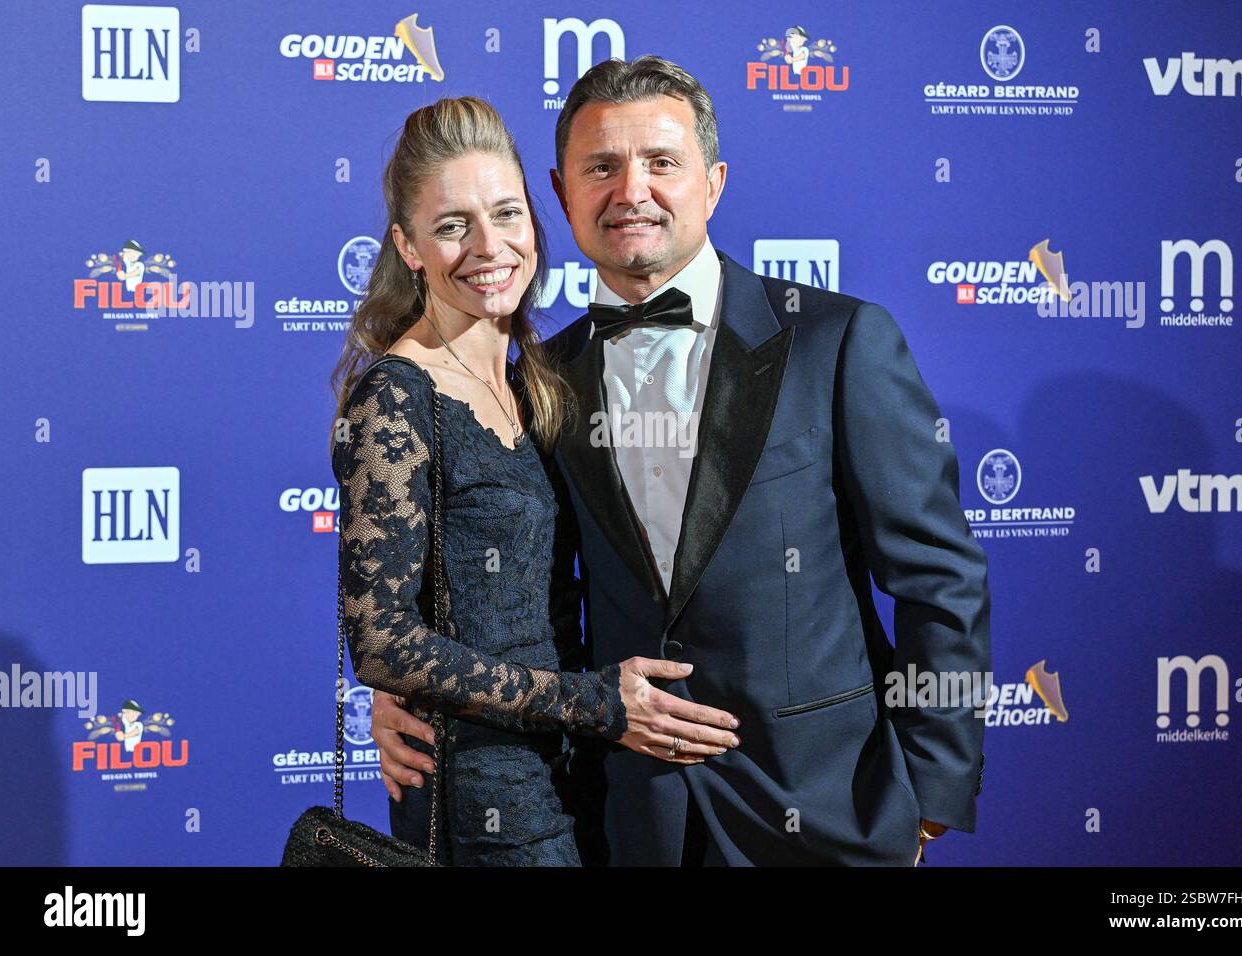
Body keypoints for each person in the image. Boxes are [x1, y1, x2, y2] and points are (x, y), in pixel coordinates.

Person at [374, 57, 991, 866]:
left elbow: (939, 580)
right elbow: (494, 586)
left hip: (827, 811)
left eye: (661, 162)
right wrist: (401, 693)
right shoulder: (535, 383)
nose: (631, 190)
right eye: (602, 167)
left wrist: (928, 798)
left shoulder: (837, 344)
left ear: (715, 182)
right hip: (628, 820)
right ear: (562, 194)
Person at [329, 96, 739, 866]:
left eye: (507, 214)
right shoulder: (397, 394)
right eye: (453, 225)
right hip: (481, 799)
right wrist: (591, 703)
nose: (489, 246)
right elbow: (382, 640)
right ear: (408, 247)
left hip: (576, 777)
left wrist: (586, 719)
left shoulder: (540, 383)